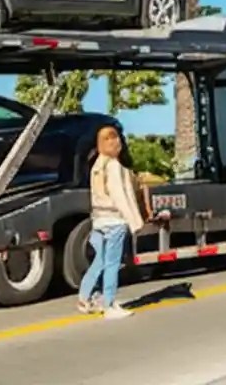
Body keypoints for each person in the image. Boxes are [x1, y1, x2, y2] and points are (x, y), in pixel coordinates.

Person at [77, 125, 145, 319]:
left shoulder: (97, 164)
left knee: (100, 261)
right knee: (112, 263)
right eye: (114, 140)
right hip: (114, 219)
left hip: (99, 220)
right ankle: (109, 304)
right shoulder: (114, 166)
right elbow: (119, 196)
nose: (117, 143)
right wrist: (133, 221)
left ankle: (84, 298)